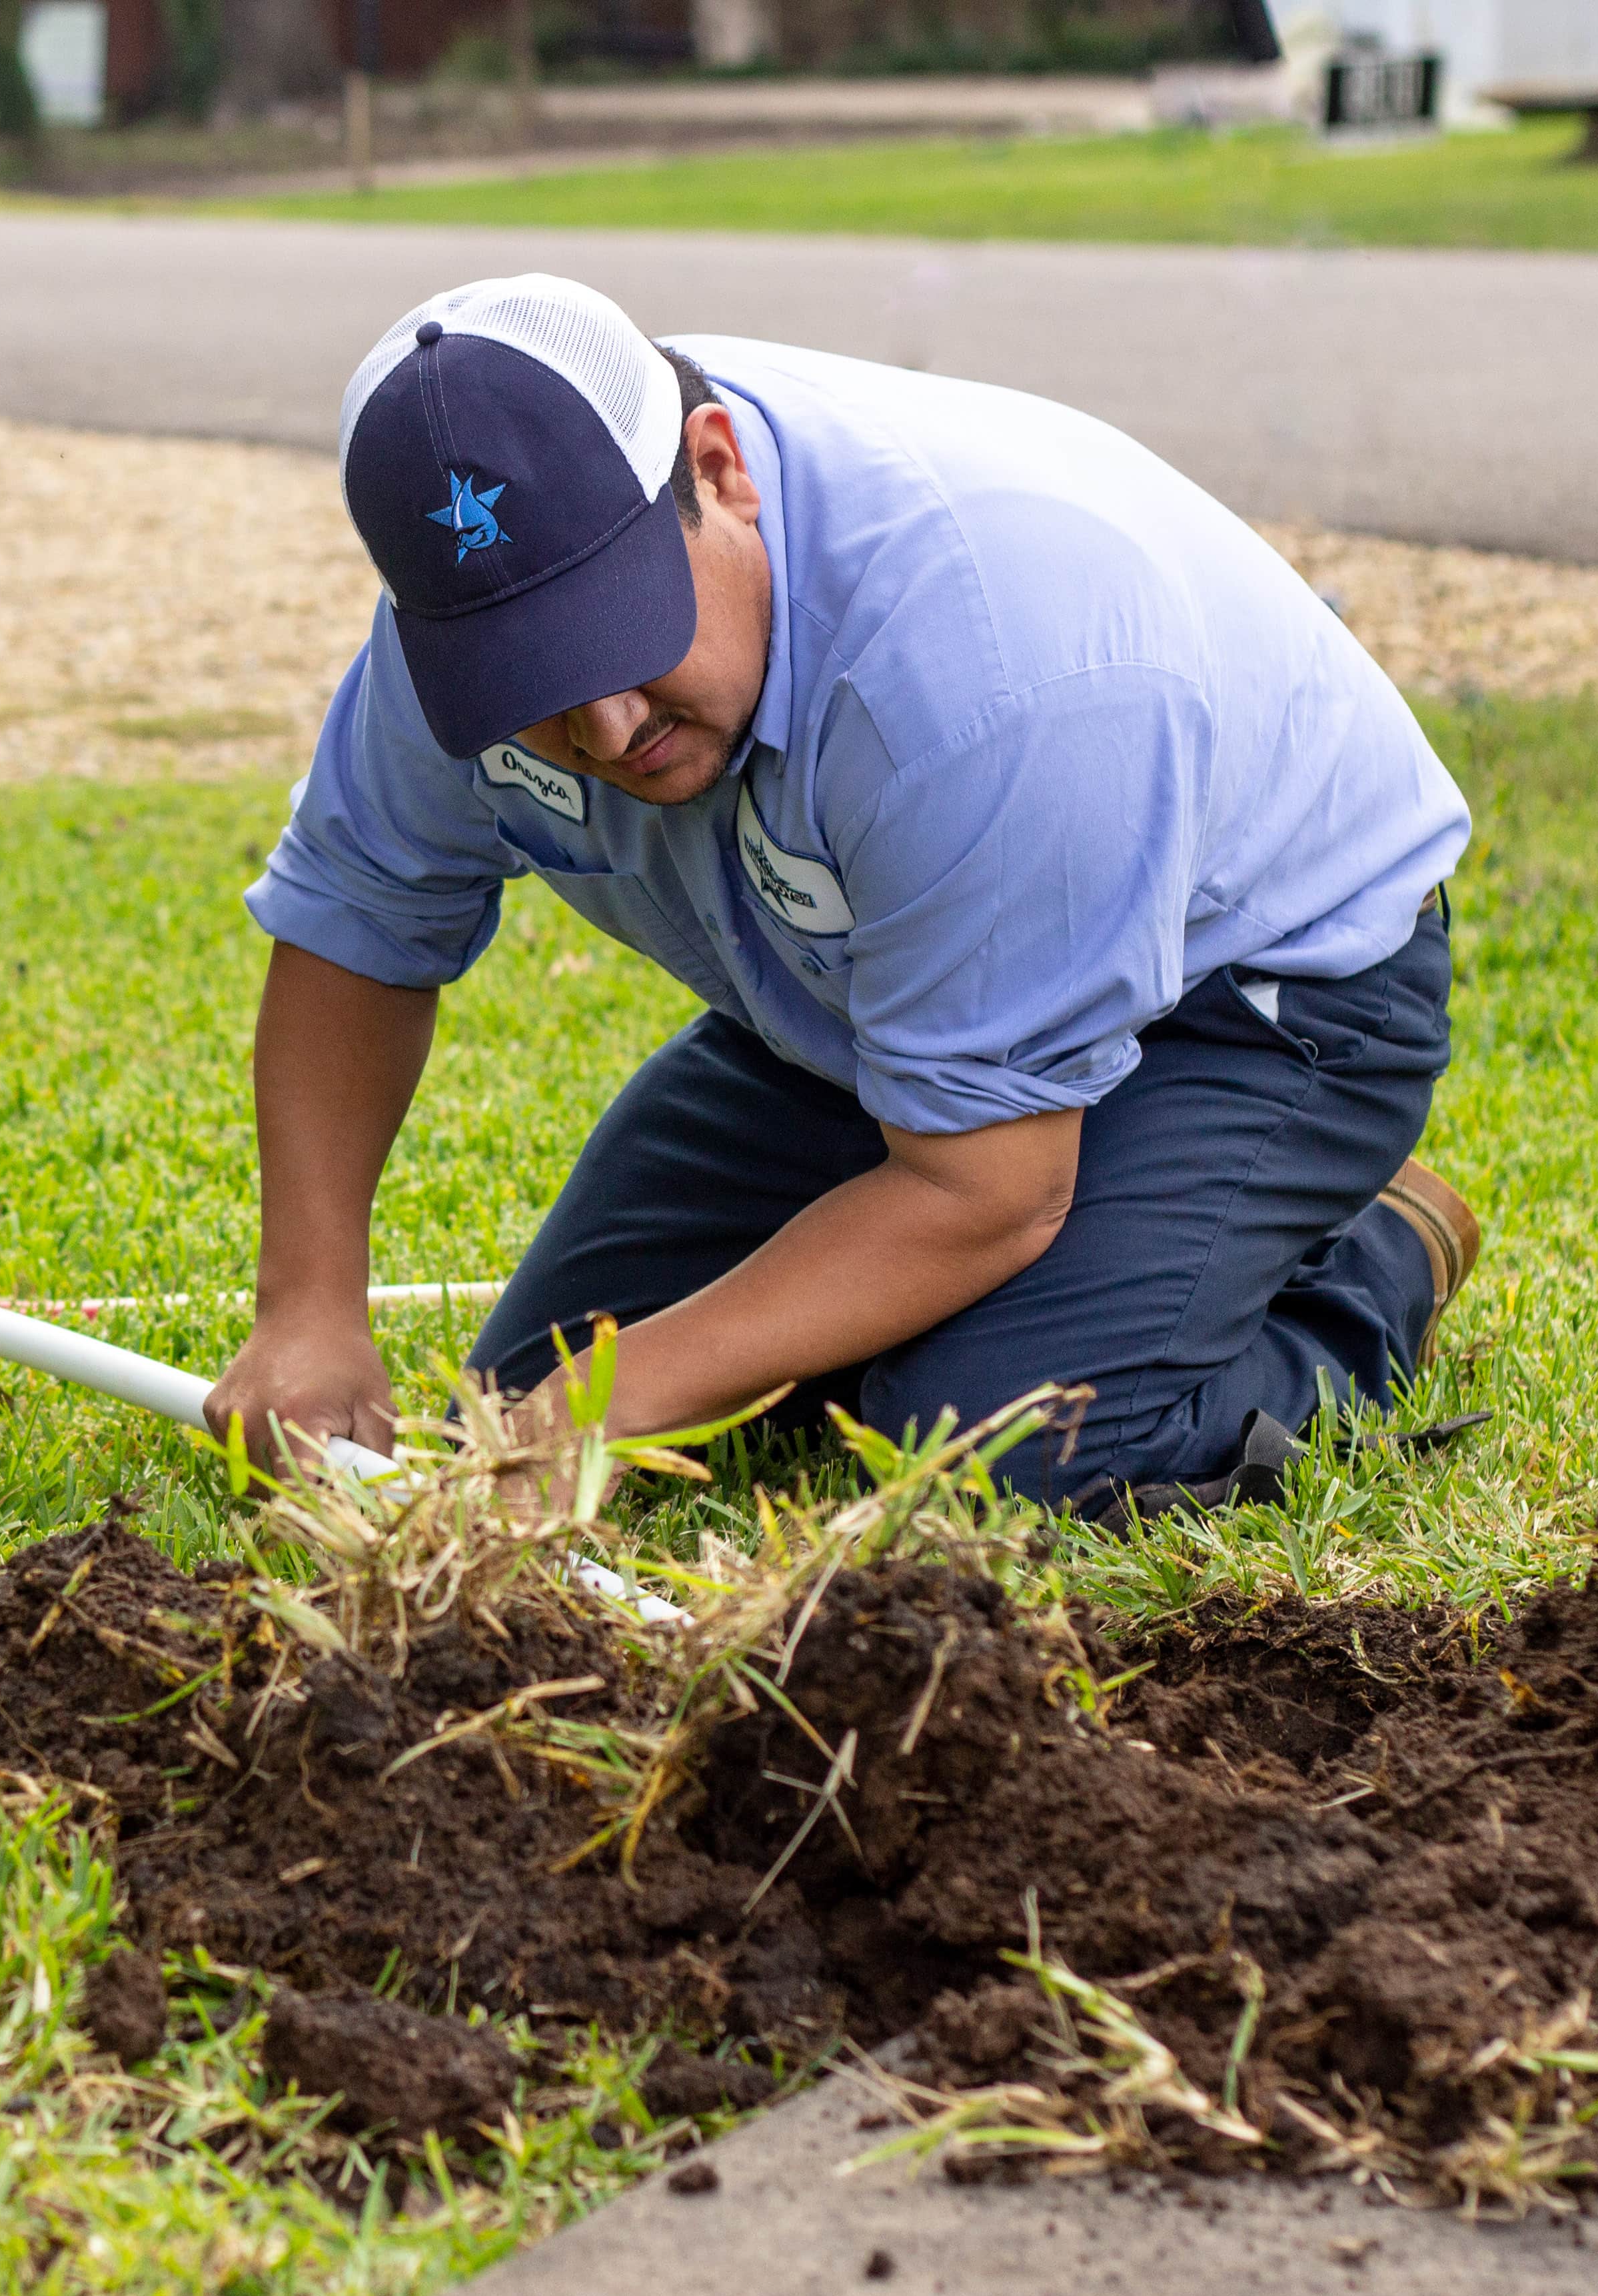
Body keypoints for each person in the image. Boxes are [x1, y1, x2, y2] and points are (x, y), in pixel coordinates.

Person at [204, 275, 1479, 1513]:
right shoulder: (465, 633)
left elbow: (989, 1194)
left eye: (618, 634)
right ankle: (1070, 1245)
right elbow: (358, 927)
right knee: (521, 1400)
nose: (608, 727)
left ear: (718, 472)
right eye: (533, 677)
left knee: (996, 1452)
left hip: (1260, 995)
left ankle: (1369, 1255)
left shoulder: (988, 669)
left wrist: (619, 1399)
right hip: (866, 1007)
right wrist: (308, 1307)